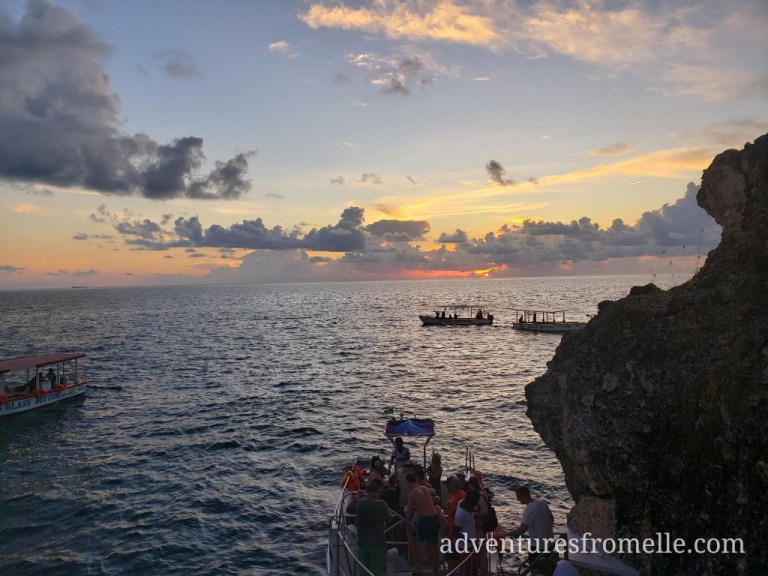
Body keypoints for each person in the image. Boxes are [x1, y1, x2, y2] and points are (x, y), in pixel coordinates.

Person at [346, 483, 393, 576]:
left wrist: (357, 497)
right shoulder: (381, 503)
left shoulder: (359, 502)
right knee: (378, 572)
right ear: (376, 493)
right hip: (377, 544)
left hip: (362, 544)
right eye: (378, 493)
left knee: (363, 572)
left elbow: (349, 510)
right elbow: (389, 519)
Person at [498, 485, 554, 560]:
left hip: (538, 546)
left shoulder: (529, 510)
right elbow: (551, 518)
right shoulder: (542, 502)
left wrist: (504, 534)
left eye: (518, 496)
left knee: (535, 568)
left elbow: (522, 530)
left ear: (523, 495)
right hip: (549, 543)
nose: (517, 499)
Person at [404, 472, 440, 576]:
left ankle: (417, 568)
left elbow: (408, 513)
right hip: (434, 517)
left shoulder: (412, 494)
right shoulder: (425, 488)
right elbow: (426, 504)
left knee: (412, 541)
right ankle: (436, 571)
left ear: (407, 482)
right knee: (433, 545)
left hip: (426, 520)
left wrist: (406, 509)